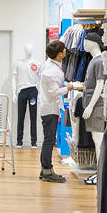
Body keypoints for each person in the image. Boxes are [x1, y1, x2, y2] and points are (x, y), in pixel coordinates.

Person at [38, 39, 68, 183]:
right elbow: (53, 92)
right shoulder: (52, 71)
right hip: (50, 108)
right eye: (64, 50)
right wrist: (69, 88)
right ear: (60, 54)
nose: (66, 51)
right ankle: (47, 170)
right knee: (49, 140)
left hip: (47, 106)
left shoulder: (47, 65)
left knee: (48, 139)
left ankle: (45, 169)